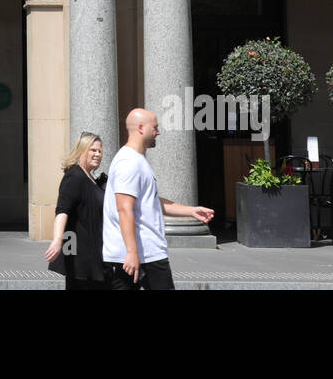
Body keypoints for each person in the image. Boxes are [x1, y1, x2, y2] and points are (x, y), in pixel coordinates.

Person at [101, 108, 214, 290]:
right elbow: (124, 209)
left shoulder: (136, 160)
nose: (158, 132)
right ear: (140, 128)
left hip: (146, 253)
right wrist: (131, 251)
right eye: (155, 127)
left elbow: (150, 202)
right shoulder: (128, 162)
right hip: (138, 256)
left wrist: (191, 211)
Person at [44, 131, 107, 290]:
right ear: (81, 150)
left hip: (93, 254)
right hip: (80, 256)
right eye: (93, 150)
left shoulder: (90, 178)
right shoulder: (74, 176)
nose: (97, 154)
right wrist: (58, 239)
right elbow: (62, 210)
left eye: (100, 151)